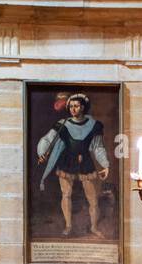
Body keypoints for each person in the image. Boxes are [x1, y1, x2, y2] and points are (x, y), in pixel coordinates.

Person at [36, 92, 110, 238]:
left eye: (76, 106)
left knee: (93, 198)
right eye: (71, 106)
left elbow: (98, 147)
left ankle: (94, 227)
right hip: (66, 161)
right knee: (66, 195)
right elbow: (47, 139)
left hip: (86, 162)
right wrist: (42, 152)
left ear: (83, 107)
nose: (73, 109)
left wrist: (105, 164)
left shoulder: (94, 125)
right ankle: (68, 226)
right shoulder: (62, 124)